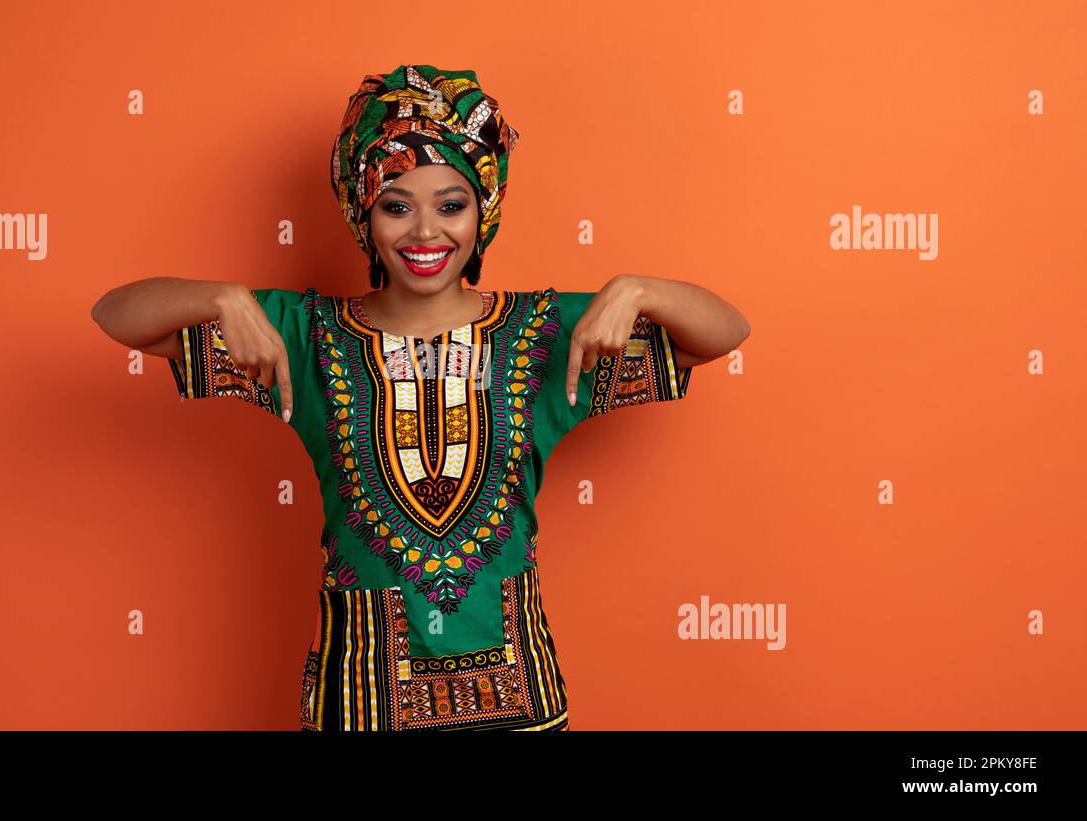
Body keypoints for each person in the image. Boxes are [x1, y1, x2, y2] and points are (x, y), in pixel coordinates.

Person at [92, 64, 750, 731]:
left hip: (516, 701)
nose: (425, 232)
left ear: (483, 208)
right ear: (363, 211)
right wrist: (220, 297)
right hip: (361, 700)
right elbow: (117, 315)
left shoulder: (545, 335)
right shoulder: (304, 336)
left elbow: (723, 333)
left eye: (451, 204)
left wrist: (639, 290)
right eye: (396, 204)